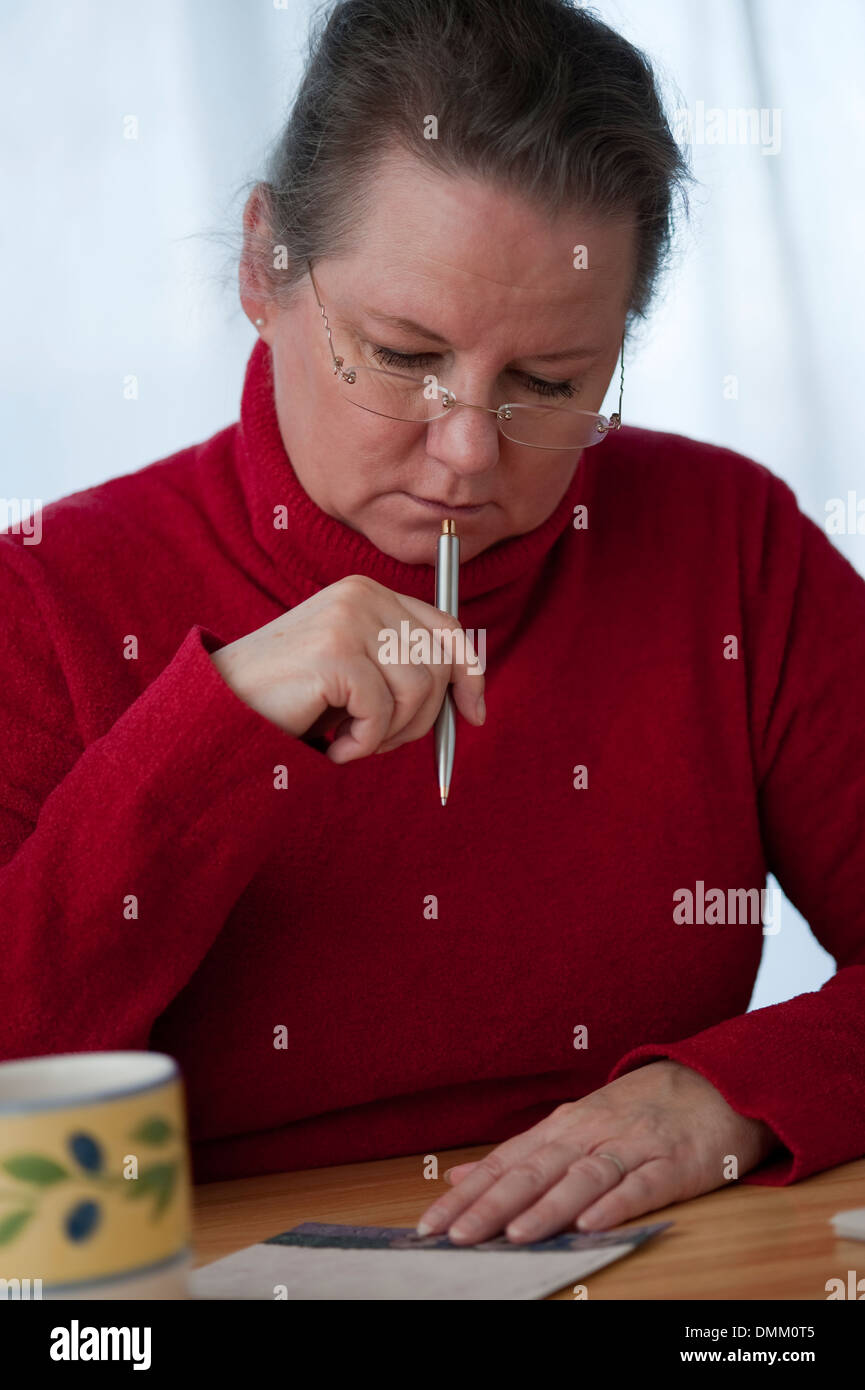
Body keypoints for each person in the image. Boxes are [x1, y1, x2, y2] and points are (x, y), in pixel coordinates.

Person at [2, 0, 864, 1250]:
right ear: (263, 268)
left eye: (548, 383)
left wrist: (722, 1096)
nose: (465, 452)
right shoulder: (48, 596)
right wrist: (213, 727)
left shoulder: (729, 544)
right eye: (402, 355)